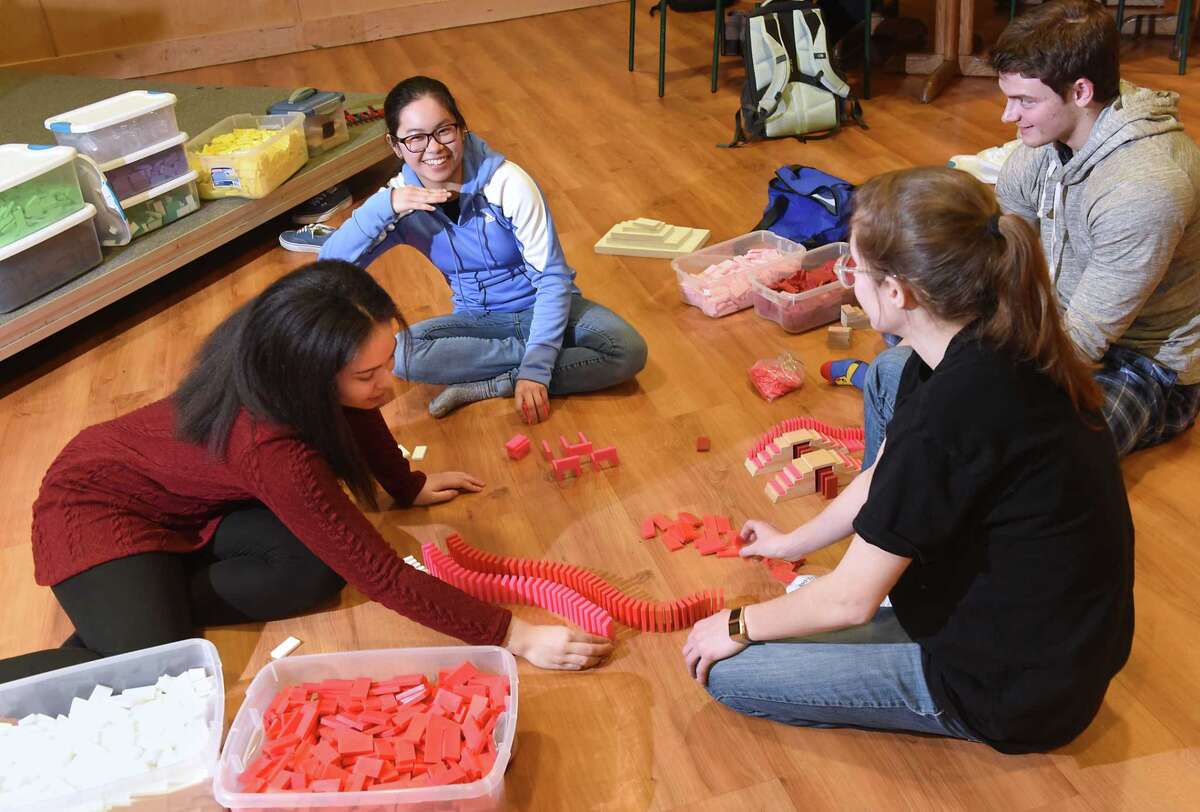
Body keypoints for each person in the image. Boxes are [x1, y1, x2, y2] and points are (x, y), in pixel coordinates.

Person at [682, 167, 1134, 754]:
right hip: (1059, 638)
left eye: (854, 267)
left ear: (898, 292)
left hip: (1013, 691)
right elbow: (882, 474)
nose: (848, 279)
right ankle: (887, 571)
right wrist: (792, 545)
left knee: (727, 672)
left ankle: (897, 603)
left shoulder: (947, 418)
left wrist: (738, 624)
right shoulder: (979, 338)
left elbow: (849, 600)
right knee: (889, 372)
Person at [0, 261, 611, 684]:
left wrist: (407, 484)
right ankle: (129, 626)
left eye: (385, 361)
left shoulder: (282, 345)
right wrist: (516, 637)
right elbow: (384, 578)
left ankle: (141, 606)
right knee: (161, 672)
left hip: (193, 506)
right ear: (308, 375)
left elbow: (357, 408)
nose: (386, 385)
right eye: (366, 375)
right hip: (98, 508)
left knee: (316, 571)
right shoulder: (271, 447)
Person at [835, 0, 1200, 463]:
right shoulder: (1041, 147)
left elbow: (1082, 345)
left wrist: (970, 378)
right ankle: (903, 400)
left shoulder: (1145, 189)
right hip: (1051, 319)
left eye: (1025, 101)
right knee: (910, 326)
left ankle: (906, 406)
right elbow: (1001, 267)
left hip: (1143, 364)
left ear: (1081, 91)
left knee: (1024, 454)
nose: (1008, 117)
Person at [316, 76, 647, 423]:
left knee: (628, 350)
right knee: (400, 357)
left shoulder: (508, 182)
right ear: (395, 145)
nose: (434, 148)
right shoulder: (399, 202)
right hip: (479, 321)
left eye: (444, 130)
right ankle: (545, 358)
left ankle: (496, 383)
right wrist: (387, 205)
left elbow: (552, 280)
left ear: (461, 128)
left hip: (546, 308)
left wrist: (535, 370)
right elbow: (330, 269)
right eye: (415, 138)